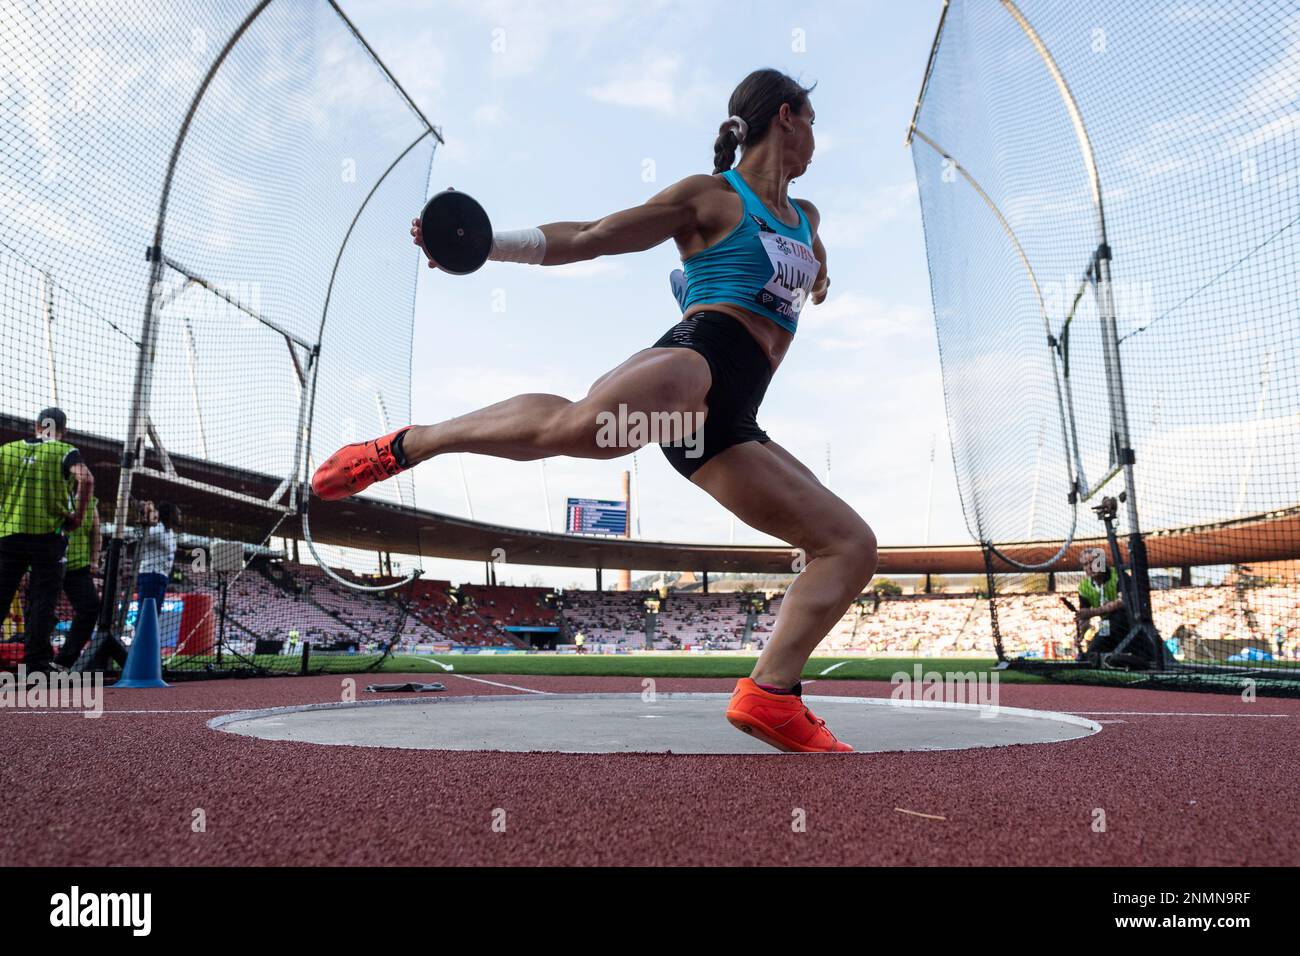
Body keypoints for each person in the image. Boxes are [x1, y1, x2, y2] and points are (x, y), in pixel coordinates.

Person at [313, 69, 877, 752]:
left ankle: (771, 694)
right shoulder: (709, 198)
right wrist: (485, 243)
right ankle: (412, 443)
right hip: (701, 356)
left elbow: (811, 257)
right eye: (812, 122)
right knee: (588, 431)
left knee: (849, 546)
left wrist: (818, 275)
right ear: (788, 117)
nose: (817, 139)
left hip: (733, 422)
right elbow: (594, 235)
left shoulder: (807, 216)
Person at [0, 408, 93, 672]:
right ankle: (36, 665)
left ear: (36, 425)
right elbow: (86, 479)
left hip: (8, 535)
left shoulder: (7, 450)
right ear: (64, 430)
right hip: (47, 537)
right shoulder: (64, 451)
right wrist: (77, 516)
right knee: (43, 600)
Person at [53, 493, 102, 669]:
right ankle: (38, 660)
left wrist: (94, 561)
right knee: (42, 611)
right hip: (50, 562)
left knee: (90, 608)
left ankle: (64, 661)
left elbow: (96, 533)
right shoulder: (52, 492)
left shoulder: (90, 502)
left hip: (77, 566)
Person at [1075, 547, 1131, 660]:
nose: (1090, 567)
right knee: (1092, 655)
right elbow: (1085, 616)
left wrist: (1093, 612)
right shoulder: (1083, 587)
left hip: (1127, 623)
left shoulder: (1119, 576)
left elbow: (1122, 602)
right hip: (1105, 625)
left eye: (1093, 562)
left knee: (1118, 617)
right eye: (1085, 564)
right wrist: (1080, 634)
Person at [134, 500, 179, 611]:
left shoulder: (171, 533)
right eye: (177, 513)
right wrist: (145, 519)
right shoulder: (157, 529)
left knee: (154, 613)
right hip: (150, 574)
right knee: (146, 612)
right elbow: (141, 537)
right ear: (170, 514)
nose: (179, 515)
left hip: (162, 577)